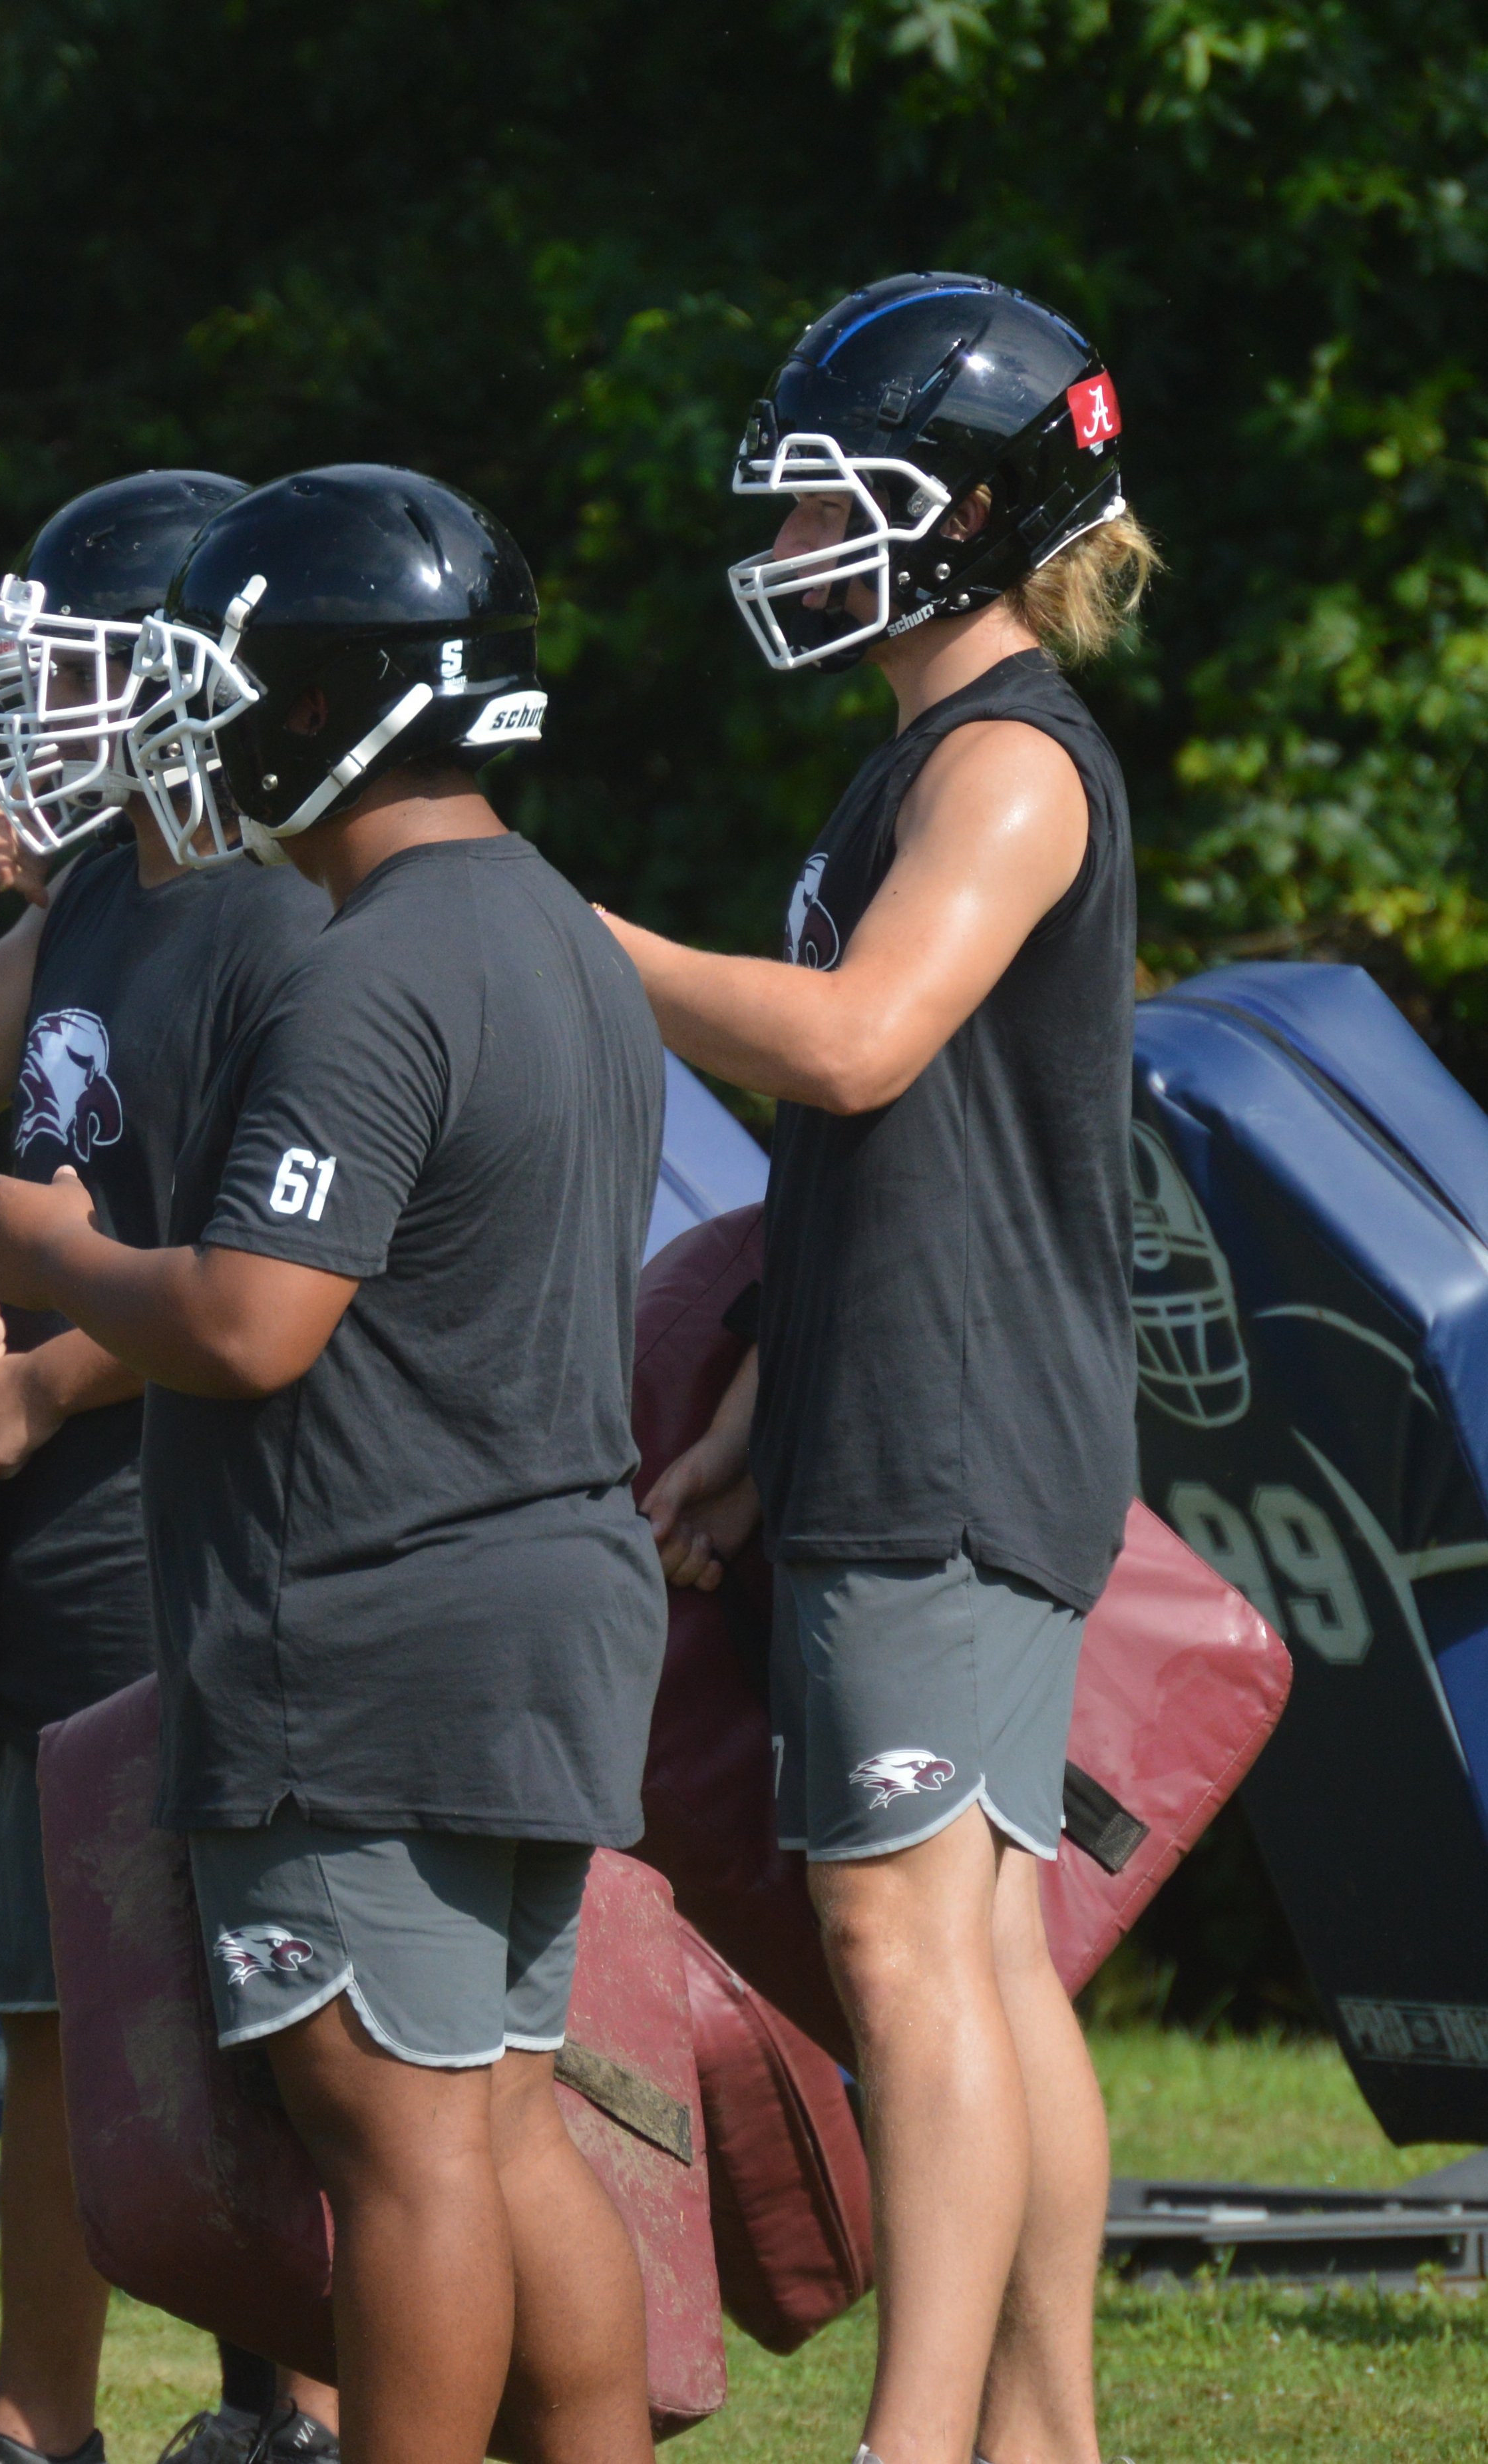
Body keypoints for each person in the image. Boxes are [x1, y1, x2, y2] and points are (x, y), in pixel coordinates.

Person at [0, 467, 663, 2464]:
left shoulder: (376, 968)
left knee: (400, 2139)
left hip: (372, 1631)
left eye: (222, 681)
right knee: (507, 2121)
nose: (192, 728)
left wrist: (55, 1256)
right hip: (538, 1611)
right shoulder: (559, 932)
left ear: (323, 704)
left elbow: (259, 1322)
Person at [608, 274, 1151, 2464]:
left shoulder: (1009, 760)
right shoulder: (926, 757)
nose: (804, 548)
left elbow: (853, 1042)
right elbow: (874, 1156)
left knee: (912, 1955)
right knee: (983, 1957)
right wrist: (756, 1405)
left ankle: (922, 2446)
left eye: (844, 506)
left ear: (977, 511)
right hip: (899, 1410)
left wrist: (573, 942)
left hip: (949, 1433)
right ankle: (1035, 2442)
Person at [0, 469, 341, 2464]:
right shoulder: (105, 896)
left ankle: (301, 2403)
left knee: (272, 1990)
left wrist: (46, 1381)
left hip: (207, 1515)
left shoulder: (286, 915)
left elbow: (286, 1263)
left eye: (71, 670)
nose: (34, 711)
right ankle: (39, 2412)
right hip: (57, 1534)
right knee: (52, 2000)